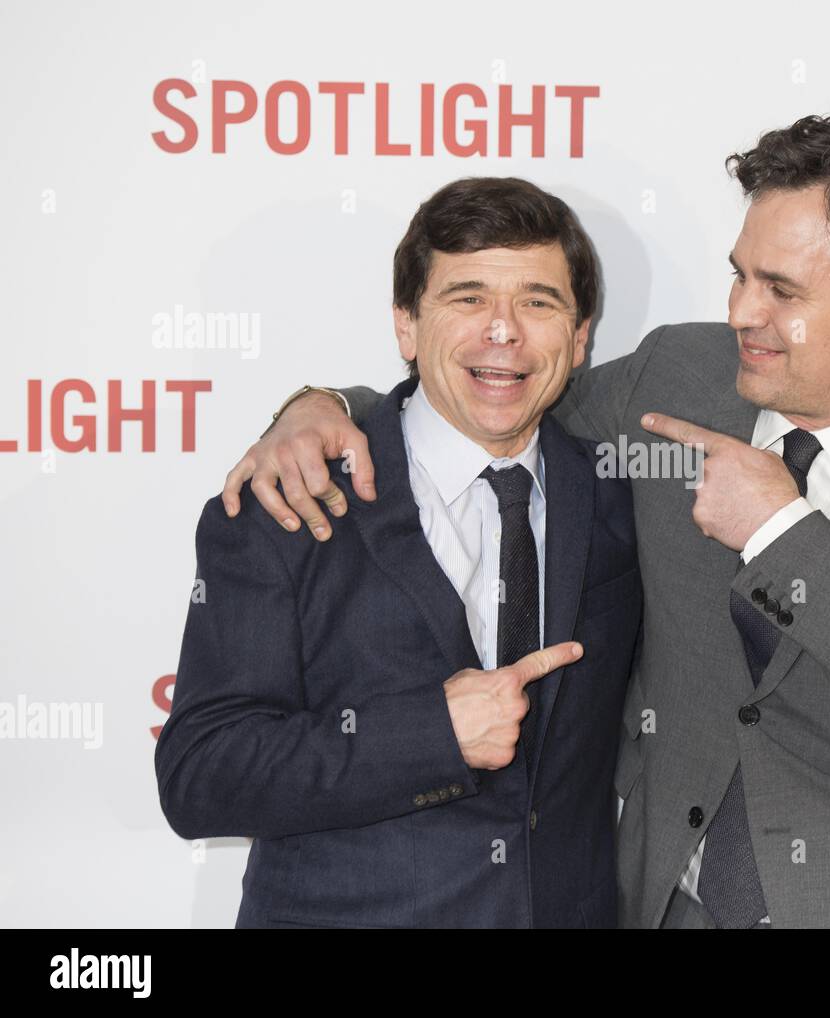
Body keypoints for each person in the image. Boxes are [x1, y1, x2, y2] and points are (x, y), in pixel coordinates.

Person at [223, 106, 830, 928]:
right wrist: (326, 406)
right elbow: (503, 399)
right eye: (741, 274)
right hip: (662, 900)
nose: (743, 311)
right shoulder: (682, 375)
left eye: (780, 290)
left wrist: (783, 535)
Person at [155, 176, 642, 928]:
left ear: (579, 340)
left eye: (539, 303)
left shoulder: (620, 494)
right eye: (467, 298)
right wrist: (432, 737)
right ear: (407, 326)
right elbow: (201, 775)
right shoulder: (289, 498)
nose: (503, 331)